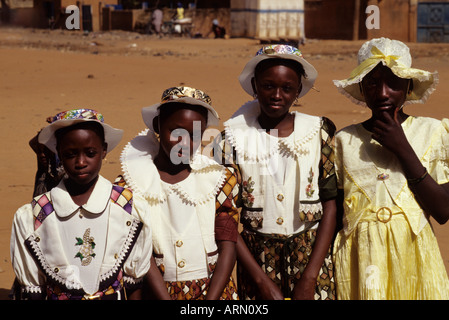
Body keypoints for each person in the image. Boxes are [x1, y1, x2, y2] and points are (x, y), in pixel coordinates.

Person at [215, 44, 337, 300]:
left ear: (299, 91)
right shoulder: (230, 141)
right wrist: (260, 280)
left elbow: (331, 204)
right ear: (255, 85)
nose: (277, 95)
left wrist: (311, 275)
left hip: (313, 257)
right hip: (255, 260)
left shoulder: (319, 132)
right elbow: (225, 218)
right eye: (268, 86)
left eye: (287, 88)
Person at [332, 37, 449, 299]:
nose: (383, 92)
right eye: (372, 83)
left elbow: (442, 211)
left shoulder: (432, 132)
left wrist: (403, 149)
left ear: (409, 87)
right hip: (361, 262)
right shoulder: (344, 141)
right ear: (361, 88)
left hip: (415, 258)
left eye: (394, 83)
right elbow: (336, 212)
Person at [10, 108, 154, 300]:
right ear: (59, 153)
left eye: (90, 153)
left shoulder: (128, 207)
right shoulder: (34, 215)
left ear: (103, 150)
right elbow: (33, 288)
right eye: (70, 154)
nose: (80, 162)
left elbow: (134, 283)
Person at [116, 86, 239, 300]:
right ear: (158, 126)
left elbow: (228, 242)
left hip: (215, 292)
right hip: (158, 293)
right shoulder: (132, 184)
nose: (184, 143)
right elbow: (140, 251)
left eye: (194, 135)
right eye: (176, 133)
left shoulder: (218, 179)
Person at [29, 116, 65, 197]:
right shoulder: (43, 168)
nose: (42, 155)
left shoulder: (64, 165)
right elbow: (32, 142)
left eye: (45, 152)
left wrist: (56, 124)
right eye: (39, 152)